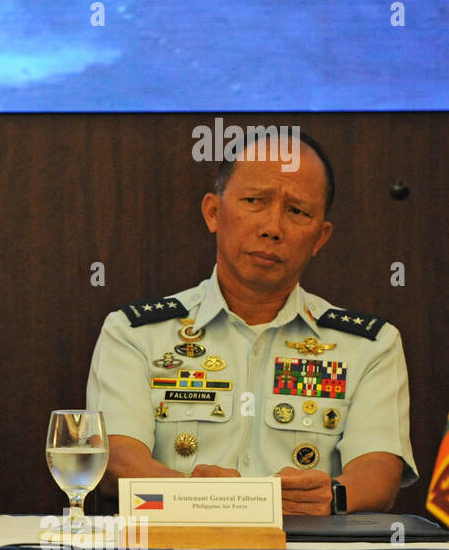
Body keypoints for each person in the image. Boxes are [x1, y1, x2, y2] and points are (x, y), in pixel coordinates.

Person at [87, 132, 416, 515]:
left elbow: (379, 474)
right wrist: (212, 501)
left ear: (320, 238)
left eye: (297, 212)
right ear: (213, 212)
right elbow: (116, 463)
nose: (272, 227)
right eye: (254, 202)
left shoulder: (370, 344)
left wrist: (332, 497)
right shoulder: (135, 333)